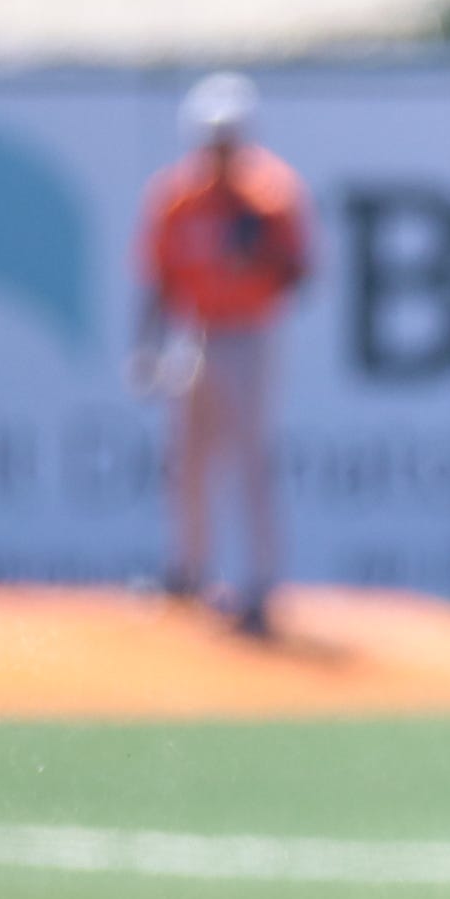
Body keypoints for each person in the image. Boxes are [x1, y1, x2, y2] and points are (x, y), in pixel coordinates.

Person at [131, 73, 311, 637]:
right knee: (186, 457)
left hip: (248, 334)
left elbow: (298, 272)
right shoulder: (177, 196)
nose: (220, 150)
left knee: (250, 460)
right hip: (195, 331)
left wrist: (255, 257)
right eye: (212, 138)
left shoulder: (270, 194)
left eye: (229, 138)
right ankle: (188, 571)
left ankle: (260, 586)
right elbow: (157, 278)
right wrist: (147, 344)